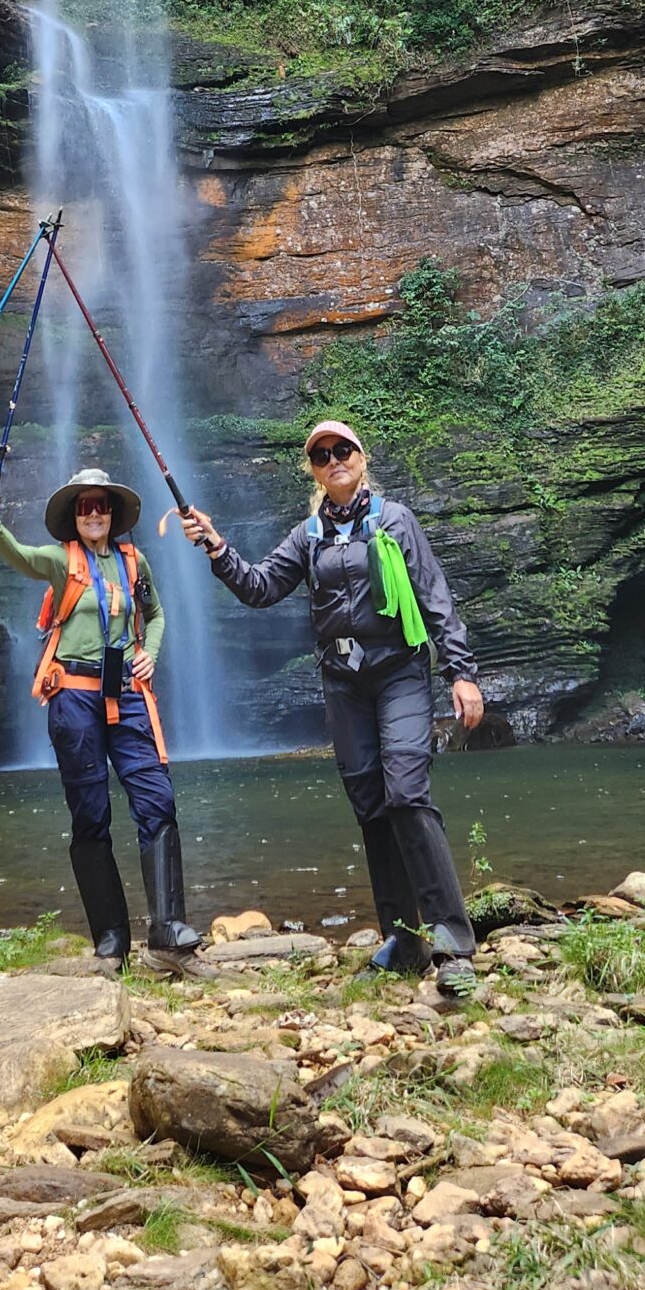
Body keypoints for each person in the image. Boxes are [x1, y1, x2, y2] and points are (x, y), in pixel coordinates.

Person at [182, 420, 484, 998]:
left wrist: (461, 673)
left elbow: (434, 596)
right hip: (343, 681)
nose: (334, 459)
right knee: (371, 805)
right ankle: (405, 941)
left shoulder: (395, 520)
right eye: (322, 455)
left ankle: (452, 941)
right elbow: (261, 587)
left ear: (361, 458)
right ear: (314, 472)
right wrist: (217, 547)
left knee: (406, 793)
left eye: (342, 450)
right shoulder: (308, 535)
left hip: (399, 671)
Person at [0, 465, 201, 972]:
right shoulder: (61, 561)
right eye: (84, 506)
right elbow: (21, 556)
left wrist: (150, 653)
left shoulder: (134, 561)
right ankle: (111, 937)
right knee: (90, 813)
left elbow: (156, 615)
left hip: (128, 693)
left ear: (113, 513)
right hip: (74, 698)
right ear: (74, 516)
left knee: (157, 800)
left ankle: (168, 931)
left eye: (101, 505)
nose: (94, 513)